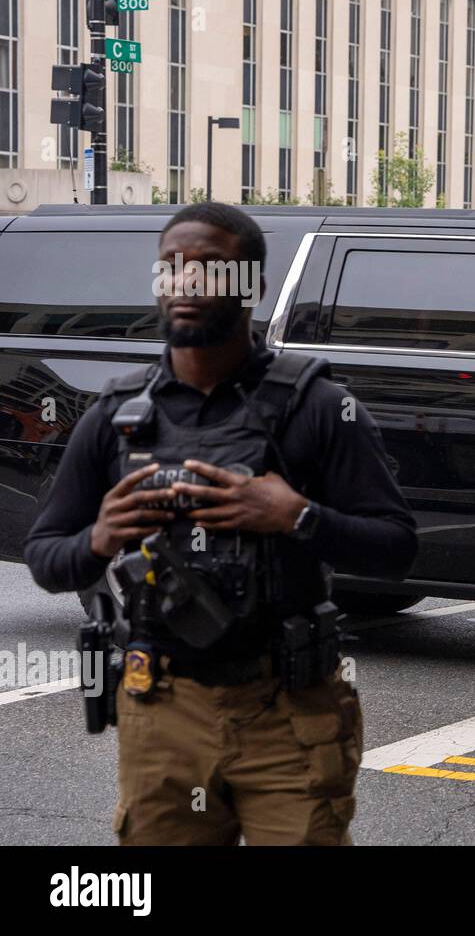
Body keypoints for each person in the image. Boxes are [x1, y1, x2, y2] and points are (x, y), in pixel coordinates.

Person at [24, 202, 418, 845]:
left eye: (209, 270)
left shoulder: (317, 408)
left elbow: (397, 549)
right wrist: (98, 539)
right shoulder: (117, 417)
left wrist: (298, 516)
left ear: (252, 288)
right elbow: (44, 554)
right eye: (170, 269)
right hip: (165, 711)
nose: (185, 285)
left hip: (291, 709)